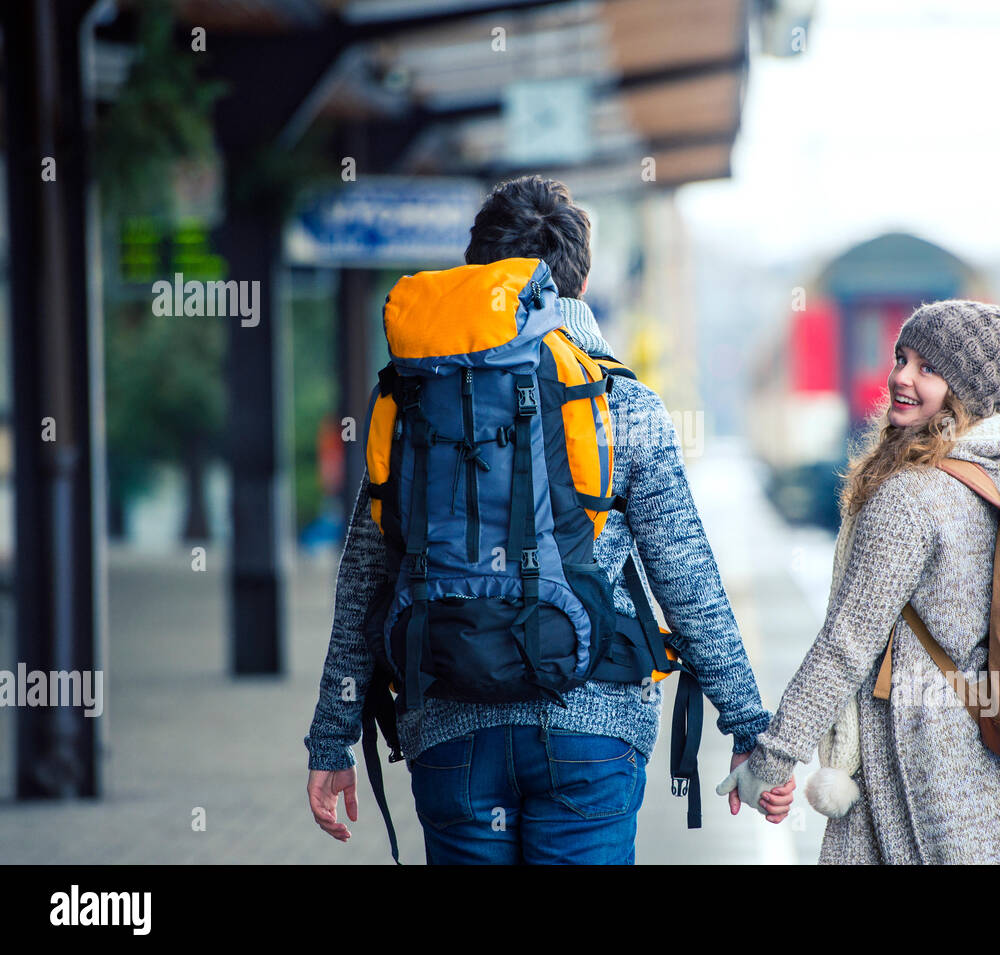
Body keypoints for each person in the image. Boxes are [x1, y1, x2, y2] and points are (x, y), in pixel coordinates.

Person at [304, 175, 794, 865]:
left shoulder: (414, 399)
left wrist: (331, 739)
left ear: (477, 276)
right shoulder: (624, 401)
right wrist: (749, 726)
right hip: (589, 730)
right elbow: (687, 578)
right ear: (581, 280)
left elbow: (363, 576)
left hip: (449, 726)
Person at [719, 299, 1000, 864]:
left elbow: (848, 642)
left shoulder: (908, 497)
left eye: (928, 368)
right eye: (901, 357)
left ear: (965, 392)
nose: (900, 376)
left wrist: (772, 757)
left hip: (937, 786)